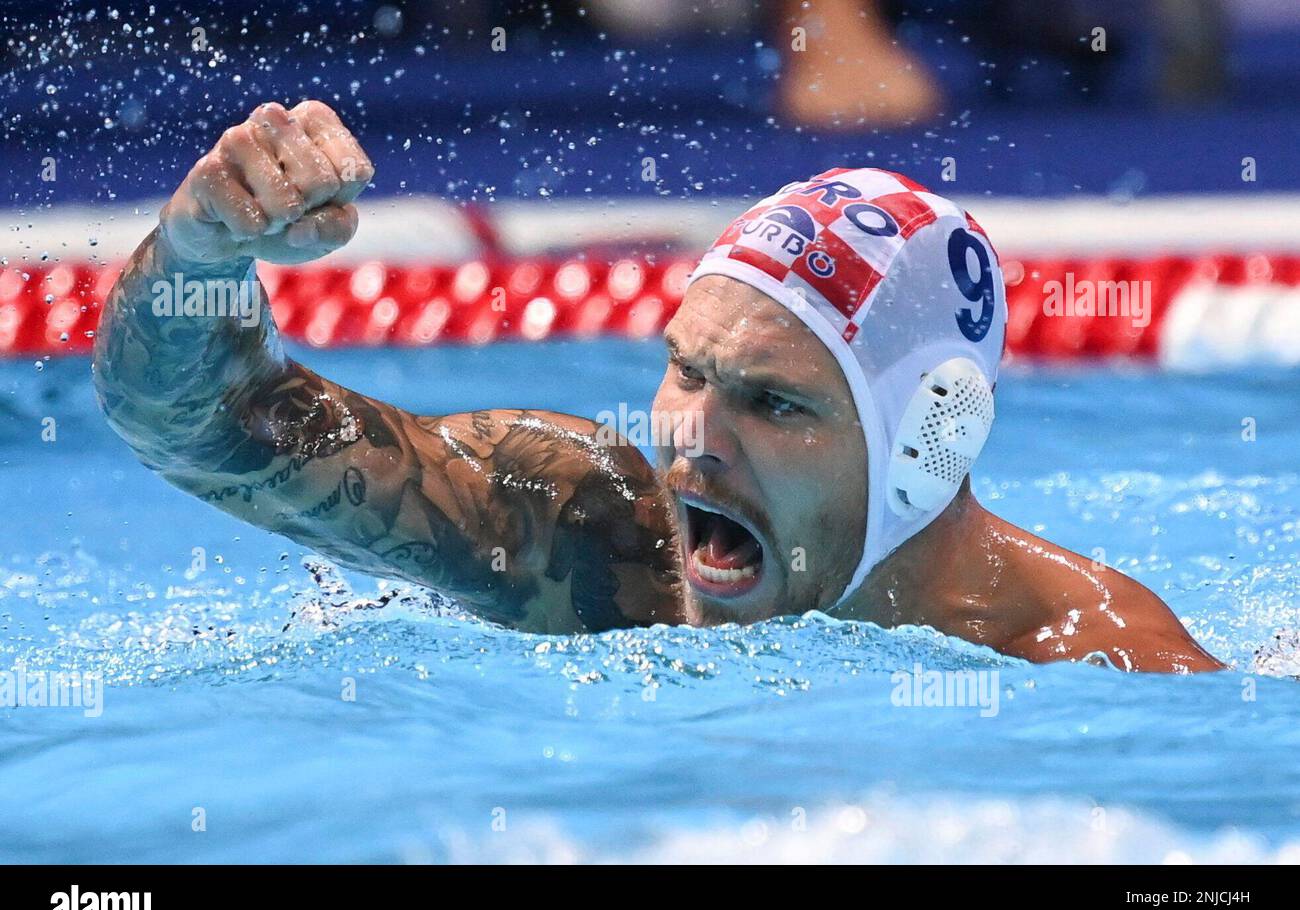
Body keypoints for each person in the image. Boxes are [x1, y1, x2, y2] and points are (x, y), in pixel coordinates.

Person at [92, 101, 1223, 673]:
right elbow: (206, 427)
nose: (689, 439)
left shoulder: (1095, 663)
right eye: (686, 366)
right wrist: (197, 260)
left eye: (774, 403)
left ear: (927, 444)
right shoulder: (588, 532)